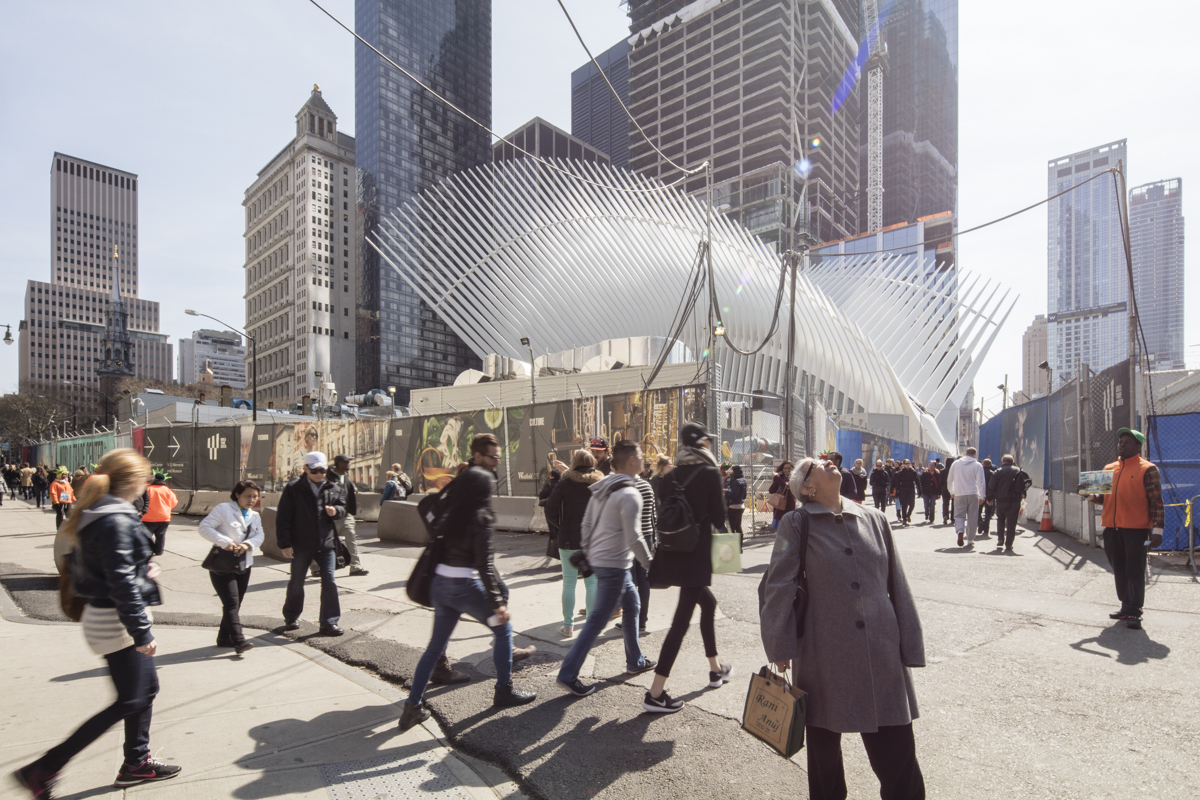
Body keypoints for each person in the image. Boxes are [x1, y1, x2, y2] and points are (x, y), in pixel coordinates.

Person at [14, 449, 181, 796]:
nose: (147, 484)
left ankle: (136, 762)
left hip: (109, 616)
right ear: (134, 482)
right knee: (130, 699)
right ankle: (42, 769)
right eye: (145, 478)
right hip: (115, 622)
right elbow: (121, 583)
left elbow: (108, 570)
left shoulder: (101, 513)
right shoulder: (115, 519)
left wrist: (142, 569)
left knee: (145, 692)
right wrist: (141, 632)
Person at [760, 456, 925, 800]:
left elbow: (897, 582)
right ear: (807, 487)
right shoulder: (796, 523)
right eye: (815, 465)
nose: (827, 462)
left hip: (881, 650)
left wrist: (910, 643)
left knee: (899, 757)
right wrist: (779, 645)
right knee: (825, 759)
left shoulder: (875, 519)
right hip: (824, 651)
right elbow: (777, 586)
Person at [400, 434, 536, 731]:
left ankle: (412, 706)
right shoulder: (480, 517)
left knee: (435, 647)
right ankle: (504, 691)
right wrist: (498, 603)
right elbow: (484, 566)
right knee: (504, 630)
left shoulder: (450, 512)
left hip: (440, 585)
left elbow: (432, 510)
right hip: (463, 586)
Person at [644, 422, 732, 714]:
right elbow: (718, 517)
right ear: (702, 443)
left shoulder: (670, 475)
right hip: (696, 557)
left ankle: (715, 669)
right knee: (680, 623)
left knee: (708, 604)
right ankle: (655, 693)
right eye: (708, 441)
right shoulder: (709, 473)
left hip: (674, 552)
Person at [556, 439, 656, 697]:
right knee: (596, 622)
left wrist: (590, 551)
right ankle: (568, 674)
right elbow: (635, 538)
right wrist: (650, 565)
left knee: (632, 605)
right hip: (615, 566)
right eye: (640, 456)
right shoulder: (630, 494)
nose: (644, 460)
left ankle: (635, 661)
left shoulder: (602, 487)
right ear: (631, 461)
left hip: (607, 563)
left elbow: (586, 524)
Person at [1081, 428, 1164, 630]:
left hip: (1136, 530)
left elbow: (1156, 502)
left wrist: (1157, 531)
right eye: (1120, 442)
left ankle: (1134, 611)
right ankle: (1126, 606)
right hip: (1112, 528)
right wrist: (1088, 494)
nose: (1122, 445)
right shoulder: (1109, 468)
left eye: (1127, 443)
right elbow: (1102, 499)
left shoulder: (1148, 469)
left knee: (1134, 569)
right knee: (1118, 568)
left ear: (1138, 446)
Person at [277, 451, 347, 636]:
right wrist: (285, 543)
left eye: (322, 470)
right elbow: (283, 517)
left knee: (330, 581)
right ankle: (291, 616)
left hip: (326, 544)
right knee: (297, 582)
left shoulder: (333, 486)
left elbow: (343, 507)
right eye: (315, 470)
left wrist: (336, 511)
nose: (319, 474)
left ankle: (329, 622)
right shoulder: (293, 488)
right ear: (305, 469)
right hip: (301, 544)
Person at [198, 480, 265, 653]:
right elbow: (204, 527)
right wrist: (225, 542)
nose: (251, 500)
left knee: (235, 604)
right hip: (223, 564)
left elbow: (260, 536)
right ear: (237, 495)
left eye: (255, 497)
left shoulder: (255, 516)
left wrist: (248, 544)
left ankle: (223, 637)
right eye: (247, 496)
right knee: (231, 603)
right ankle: (239, 640)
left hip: (244, 564)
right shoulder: (224, 509)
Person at [544, 450, 601, 637]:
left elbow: (550, 510)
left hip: (568, 538)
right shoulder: (600, 484)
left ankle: (568, 626)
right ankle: (591, 627)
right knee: (592, 583)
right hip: (593, 540)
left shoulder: (565, 483)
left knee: (569, 583)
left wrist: (561, 526)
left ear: (574, 463)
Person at [330, 455, 368, 577]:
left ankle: (355, 567)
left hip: (345, 515)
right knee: (323, 542)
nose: (349, 464)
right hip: (331, 516)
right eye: (347, 462)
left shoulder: (345, 477)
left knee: (351, 537)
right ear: (340, 464)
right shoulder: (328, 477)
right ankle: (315, 566)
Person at [986, 455, 1031, 552]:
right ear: (1012, 461)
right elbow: (1024, 484)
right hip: (1015, 500)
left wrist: (989, 498)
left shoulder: (998, 471)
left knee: (1000, 519)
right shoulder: (1018, 471)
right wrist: (1023, 493)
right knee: (1012, 522)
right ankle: (1009, 544)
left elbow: (991, 486)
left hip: (1001, 500)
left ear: (1003, 462)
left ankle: (1000, 539)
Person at [947, 448, 986, 548]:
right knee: (972, 517)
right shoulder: (977, 465)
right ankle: (970, 539)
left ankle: (960, 530)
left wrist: (952, 491)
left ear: (965, 453)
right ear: (975, 455)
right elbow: (981, 482)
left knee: (959, 515)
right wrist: (982, 496)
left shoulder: (956, 464)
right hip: (973, 493)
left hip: (959, 493)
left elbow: (950, 479)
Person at [140, 474, 178, 557]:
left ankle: (147, 550)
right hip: (164, 517)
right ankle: (159, 551)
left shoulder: (148, 489)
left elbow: (142, 502)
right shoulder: (168, 490)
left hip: (148, 518)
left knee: (146, 535)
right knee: (161, 536)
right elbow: (174, 502)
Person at [538, 468, 562, 559]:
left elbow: (542, 495)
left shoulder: (548, 484)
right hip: (559, 508)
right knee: (559, 526)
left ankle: (554, 544)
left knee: (552, 526)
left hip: (549, 507)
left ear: (552, 476)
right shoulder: (561, 484)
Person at [768, 461, 796, 530]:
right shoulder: (780, 478)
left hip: (788, 506)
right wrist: (778, 478)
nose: (787, 470)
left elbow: (786, 486)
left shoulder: (793, 478)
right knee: (779, 529)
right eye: (785, 468)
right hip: (779, 506)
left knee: (787, 528)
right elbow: (771, 490)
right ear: (782, 469)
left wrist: (776, 477)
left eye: (789, 468)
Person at [891, 460, 919, 526]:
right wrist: (897, 491)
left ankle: (908, 515)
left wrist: (920, 490)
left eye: (908, 463)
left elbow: (917, 481)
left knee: (912, 504)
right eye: (906, 464)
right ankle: (904, 519)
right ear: (903, 464)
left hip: (911, 489)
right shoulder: (901, 473)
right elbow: (897, 482)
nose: (907, 465)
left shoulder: (913, 472)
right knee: (904, 505)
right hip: (903, 490)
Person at [725, 465, 747, 546]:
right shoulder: (743, 481)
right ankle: (739, 546)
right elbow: (744, 496)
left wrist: (727, 492)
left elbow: (733, 494)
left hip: (733, 507)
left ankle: (734, 546)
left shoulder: (735, 482)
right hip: (741, 506)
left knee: (731, 528)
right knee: (738, 527)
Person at [977, 458, 997, 539]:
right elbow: (994, 486)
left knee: (978, 511)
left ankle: (979, 521)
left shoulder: (979, 472)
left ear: (983, 464)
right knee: (988, 513)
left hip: (979, 495)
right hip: (989, 495)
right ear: (990, 465)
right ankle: (986, 528)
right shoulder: (992, 473)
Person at [919, 460, 940, 525]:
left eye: (932, 465)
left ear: (935, 466)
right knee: (926, 504)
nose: (931, 466)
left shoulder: (937, 474)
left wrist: (939, 493)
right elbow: (921, 482)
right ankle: (926, 515)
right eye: (930, 465)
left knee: (932, 505)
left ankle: (932, 518)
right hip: (926, 491)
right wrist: (921, 491)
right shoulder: (925, 473)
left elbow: (939, 484)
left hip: (934, 492)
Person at [939, 457, 955, 525]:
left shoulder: (942, 471)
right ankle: (953, 518)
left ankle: (945, 515)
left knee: (945, 503)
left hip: (945, 489)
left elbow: (940, 481)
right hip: (953, 489)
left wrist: (941, 488)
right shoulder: (955, 471)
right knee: (954, 504)